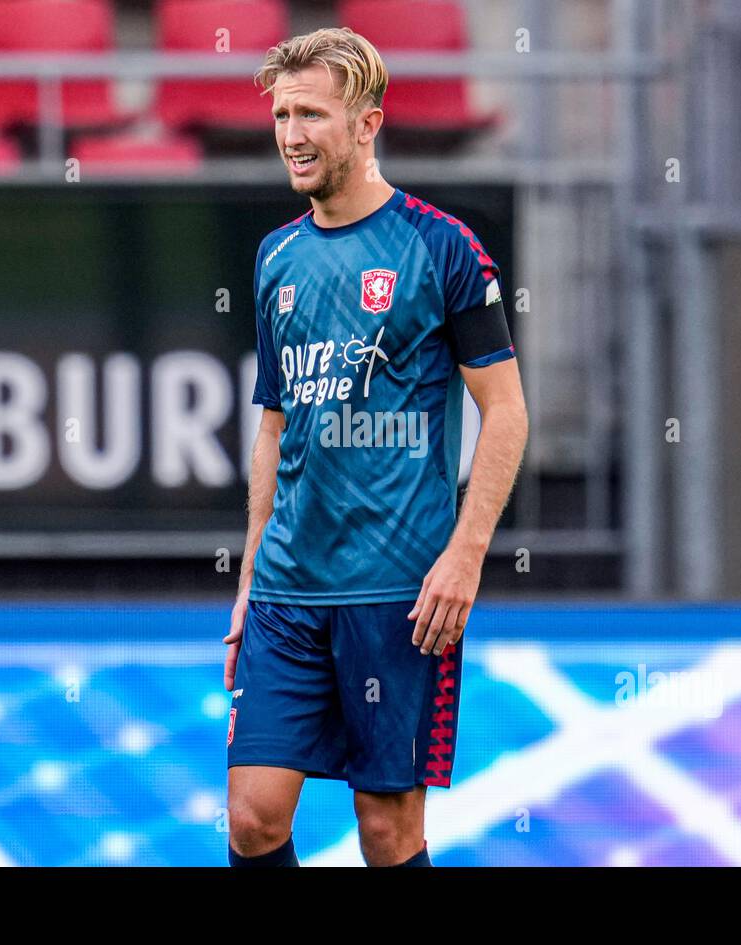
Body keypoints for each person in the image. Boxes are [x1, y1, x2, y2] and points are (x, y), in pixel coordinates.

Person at [223, 26, 529, 867]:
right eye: (282, 114)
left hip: (398, 591)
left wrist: (465, 556)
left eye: (312, 114)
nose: (291, 134)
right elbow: (274, 426)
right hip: (290, 587)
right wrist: (250, 577)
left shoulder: (443, 247)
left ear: (367, 123)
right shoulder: (274, 257)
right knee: (252, 819)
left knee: (387, 834)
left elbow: (504, 411)